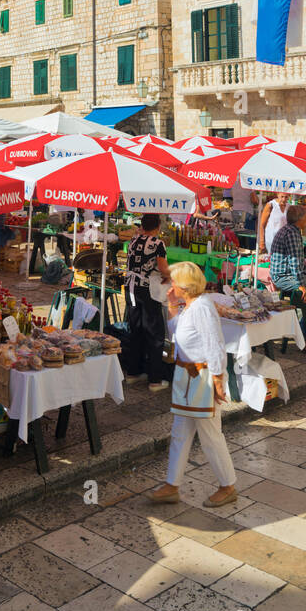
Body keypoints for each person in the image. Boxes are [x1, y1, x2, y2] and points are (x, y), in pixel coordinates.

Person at [148, 260, 237, 509]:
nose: (171, 285)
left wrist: (218, 381)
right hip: (186, 377)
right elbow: (178, 333)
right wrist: (172, 306)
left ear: (185, 286)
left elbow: (215, 344)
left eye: (174, 282)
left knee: (210, 434)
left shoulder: (203, 307)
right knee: (180, 432)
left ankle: (228, 485)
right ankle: (172, 485)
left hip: (203, 378)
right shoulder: (191, 306)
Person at [269, 205, 306, 346]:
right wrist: (300, 285)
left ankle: (302, 330)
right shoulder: (292, 233)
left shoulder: (287, 230)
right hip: (284, 277)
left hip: (282, 274)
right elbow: (295, 263)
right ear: (300, 219)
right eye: (305, 218)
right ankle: (305, 334)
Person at [123, 213, 170, 391]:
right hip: (147, 289)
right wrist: (170, 276)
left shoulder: (134, 240)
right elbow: (164, 268)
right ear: (158, 227)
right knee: (154, 332)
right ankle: (155, 379)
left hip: (130, 288)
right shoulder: (158, 243)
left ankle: (133, 373)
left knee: (135, 329)